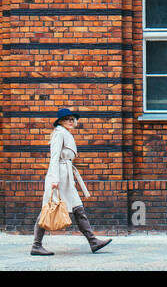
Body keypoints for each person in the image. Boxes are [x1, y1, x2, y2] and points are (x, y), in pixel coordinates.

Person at [31, 107, 112, 255]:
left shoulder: (66, 133)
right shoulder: (59, 134)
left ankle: (93, 241)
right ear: (60, 121)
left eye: (72, 119)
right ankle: (36, 245)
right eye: (67, 119)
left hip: (66, 176)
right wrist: (55, 179)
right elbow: (54, 157)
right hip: (59, 177)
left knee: (78, 209)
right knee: (48, 208)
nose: (70, 121)